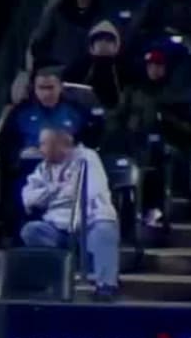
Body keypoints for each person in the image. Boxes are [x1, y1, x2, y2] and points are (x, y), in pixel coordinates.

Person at [20, 127, 121, 301]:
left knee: (105, 231)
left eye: (43, 144)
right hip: (59, 226)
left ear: (61, 145)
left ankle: (106, 286)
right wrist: (56, 190)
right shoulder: (43, 168)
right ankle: (60, 277)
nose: (40, 148)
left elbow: (89, 192)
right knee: (31, 231)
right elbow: (28, 197)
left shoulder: (87, 157)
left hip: (91, 221)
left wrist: (50, 194)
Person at [109, 49, 191, 228]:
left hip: (169, 147)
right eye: (150, 65)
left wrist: (169, 120)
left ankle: (154, 209)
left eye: (158, 65)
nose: (154, 69)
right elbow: (116, 119)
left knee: (156, 157)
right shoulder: (133, 92)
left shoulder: (179, 94)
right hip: (134, 144)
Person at [0, 68, 86, 232]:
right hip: (29, 167)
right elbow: (4, 143)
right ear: (34, 89)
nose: (46, 93)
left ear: (60, 87)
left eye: (50, 88)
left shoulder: (75, 112)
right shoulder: (20, 112)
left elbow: (85, 143)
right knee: (19, 193)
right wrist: (18, 155)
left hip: (67, 170)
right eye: (41, 88)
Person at [31, 0, 103, 68]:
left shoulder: (98, 19)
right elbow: (40, 37)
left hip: (83, 70)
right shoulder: (59, 13)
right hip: (56, 66)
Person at [63, 21, 124, 111]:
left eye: (108, 40)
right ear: (91, 45)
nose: (103, 43)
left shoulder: (124, 67)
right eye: (99, 40)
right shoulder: (80, 66)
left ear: (116, 45)